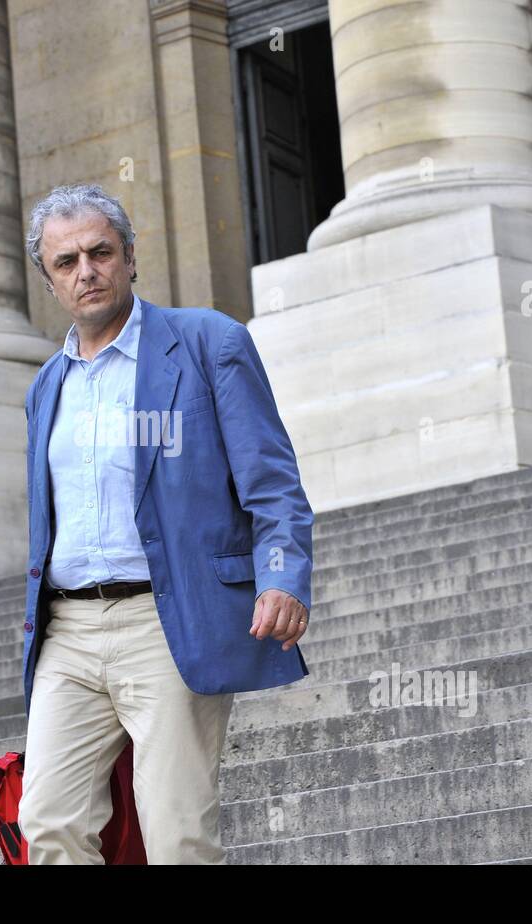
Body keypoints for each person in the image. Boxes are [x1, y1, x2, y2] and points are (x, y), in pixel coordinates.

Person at [17, 183, 314, 864]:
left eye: (100, 252)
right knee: (48, 821)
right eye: (66, 262)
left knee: (176, 829)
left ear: (130, 256)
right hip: (67, 630)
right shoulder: (46, 387)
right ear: (49, 278)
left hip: (164, 616)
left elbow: (270, 476)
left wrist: (283, 573)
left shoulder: (209, 342)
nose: (86, 271)